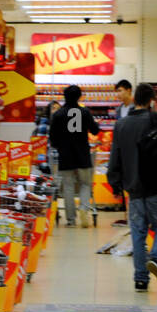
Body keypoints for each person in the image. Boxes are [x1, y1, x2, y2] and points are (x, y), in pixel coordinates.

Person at [107, 82, 157, 291]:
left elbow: (115, 156)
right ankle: (156, 256)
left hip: (133, 187)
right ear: (151, 101)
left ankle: (140, 278)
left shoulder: (121, 124)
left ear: (135, 99)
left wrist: (115, 183)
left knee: (138, 232)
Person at [48, 85, 99, 226]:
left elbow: (52, 139)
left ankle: (70, 219)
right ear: (79, 96)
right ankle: (83, 208)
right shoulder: (85, 112)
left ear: (64, 96)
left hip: (65, 156)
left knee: (68, 186)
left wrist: (60, 146)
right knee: (85, 184)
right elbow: (95, 131)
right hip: (83, 154)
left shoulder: (58, 114)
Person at [111, 80, 135, 224]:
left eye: (120, 91)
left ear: (129, 90)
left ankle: (133, 216)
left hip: (133, 150)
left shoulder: (137, 107)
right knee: (125, 182)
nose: (118, 94)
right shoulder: (119, 110)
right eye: (117, 92)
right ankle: (128, 214)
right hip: (122, 149)